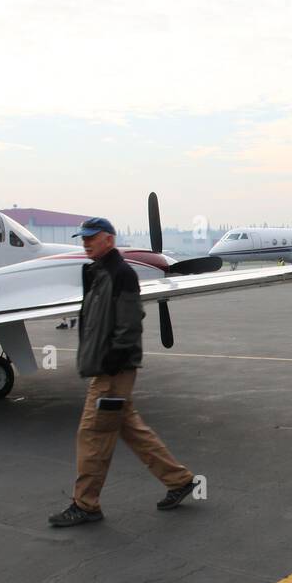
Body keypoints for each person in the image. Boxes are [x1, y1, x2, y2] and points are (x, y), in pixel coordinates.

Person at [49, 217, 196, 527]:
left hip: (112, 371)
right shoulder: (98, 273)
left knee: (93, 435)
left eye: (92, 237)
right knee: (130, 428)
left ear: (109, 240)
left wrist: (112, 361)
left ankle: (86, 504)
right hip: (107, 369)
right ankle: (179, 480)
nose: (85, 242)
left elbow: (130, 322)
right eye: (83, 237)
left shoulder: (121, 274)